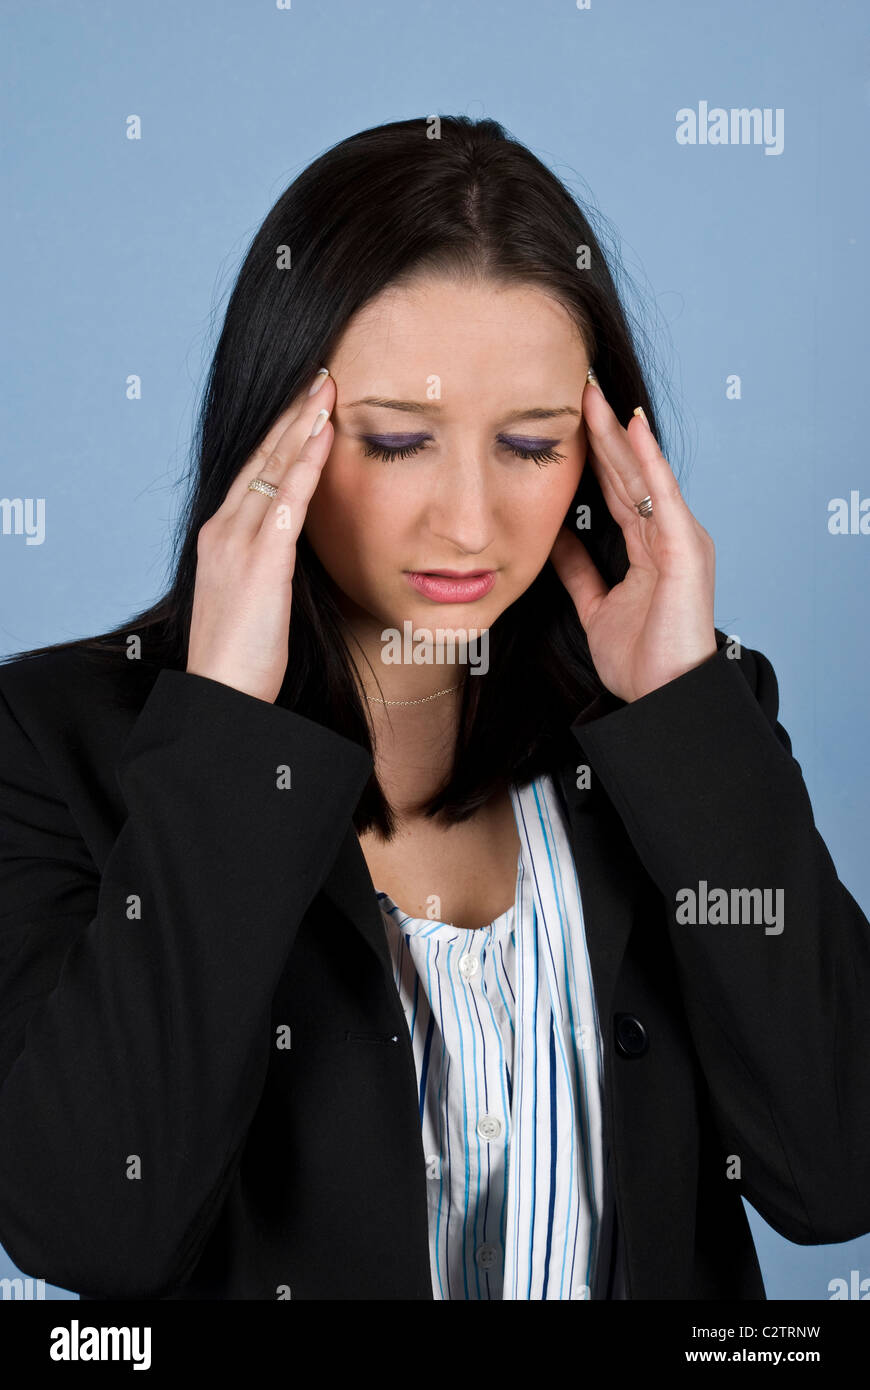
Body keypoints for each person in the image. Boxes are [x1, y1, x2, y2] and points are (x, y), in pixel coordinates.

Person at [0, 114, 868, 1302]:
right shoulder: (55, 742)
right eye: (401, 440)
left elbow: (837, 1174)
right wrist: (222, 726)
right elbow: (95, 1228)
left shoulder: (685, 729)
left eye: (529, 444)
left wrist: (683, 706)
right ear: (274, 434)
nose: (468, 522)